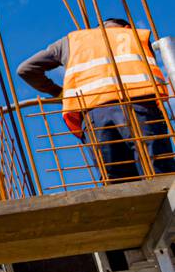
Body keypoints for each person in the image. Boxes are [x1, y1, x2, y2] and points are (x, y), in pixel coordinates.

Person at [17, 18, 174, 182]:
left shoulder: (72, 41)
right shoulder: (134, 35)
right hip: (139, 107)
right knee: (159, 172)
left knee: (117, 183)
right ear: (126, 27)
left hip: (94, 117)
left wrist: (58, 92)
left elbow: (25, 69)